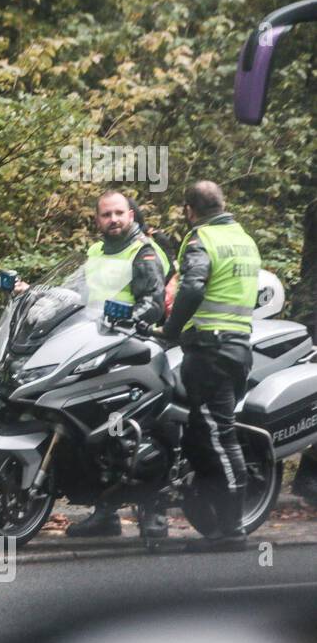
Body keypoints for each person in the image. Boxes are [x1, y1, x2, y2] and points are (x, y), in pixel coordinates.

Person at [158, 180, 260, 552]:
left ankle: (234, 529)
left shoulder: (202, 238)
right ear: (223, 203)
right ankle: (216, 524)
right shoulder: (243, 238)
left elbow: (194, 287)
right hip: (235, 347)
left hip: (210, 350)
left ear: (190, 210)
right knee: (201, 434)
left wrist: (170, 329)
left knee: (218, 434)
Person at [65, 190, 172, 540]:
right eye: (106, 215)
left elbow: (152, 303)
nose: (112, 220)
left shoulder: (142, 252)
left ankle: (154, 510)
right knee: (99, 427)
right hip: (97, 346)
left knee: (142, 426)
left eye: (119, 214)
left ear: (131, 215)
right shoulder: (96, 251)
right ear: (97, 220)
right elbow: (77, 293)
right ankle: (106, 513)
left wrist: (130, 321)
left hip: (137, 347)